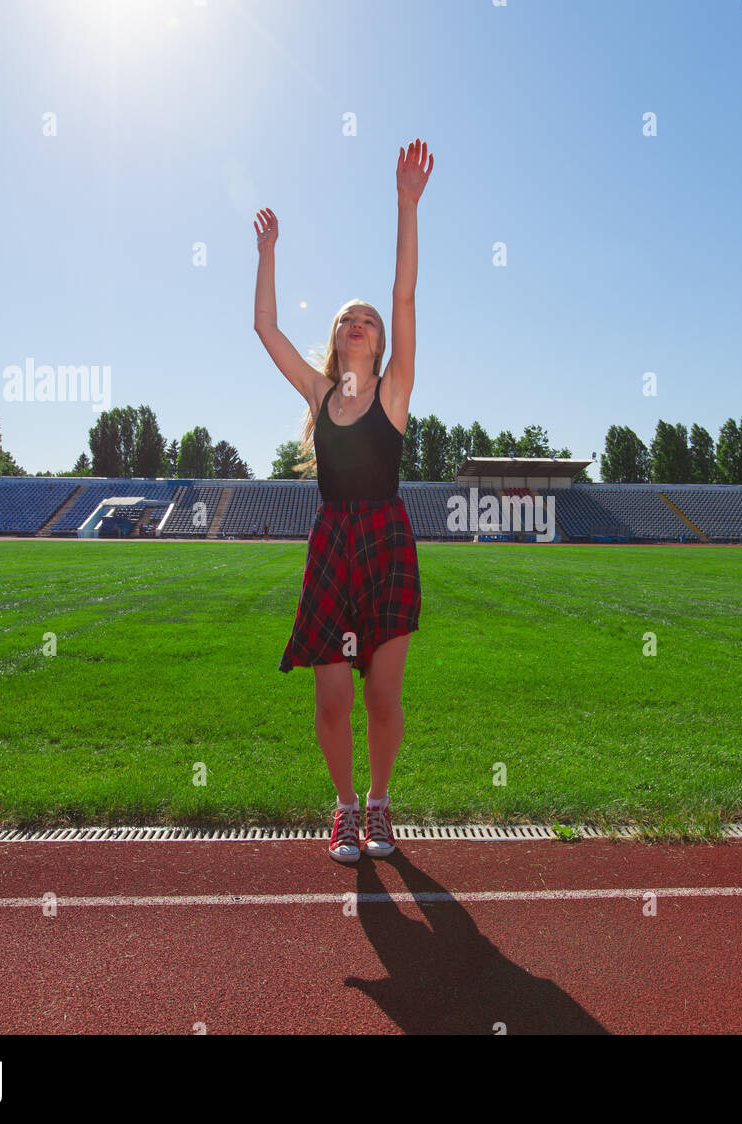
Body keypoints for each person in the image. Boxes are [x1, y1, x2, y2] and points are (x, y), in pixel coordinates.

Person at [253, 139, 432, 864]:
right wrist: (269, 253)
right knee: (332, 700)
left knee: (382, 699)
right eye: (345, 318)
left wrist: (406, 204)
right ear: (335, 339)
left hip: (386, 539)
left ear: (381, 342)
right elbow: (265, 329)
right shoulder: (321, 394)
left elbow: (404, 294)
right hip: (332, 541)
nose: (358, 321)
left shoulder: (394, 391)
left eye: (367, 320)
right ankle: (344, 807)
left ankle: (382, 804)